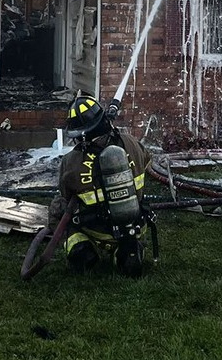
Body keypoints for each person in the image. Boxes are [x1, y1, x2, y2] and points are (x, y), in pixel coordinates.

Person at [51, 94, 153, 276]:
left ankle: (81, 248)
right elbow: (147, 162)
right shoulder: (131, 143)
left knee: (57, 208)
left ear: (80, 135)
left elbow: (65, 196)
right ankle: (127, 251)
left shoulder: (71, 162)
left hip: (97, 232)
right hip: (136, 225)